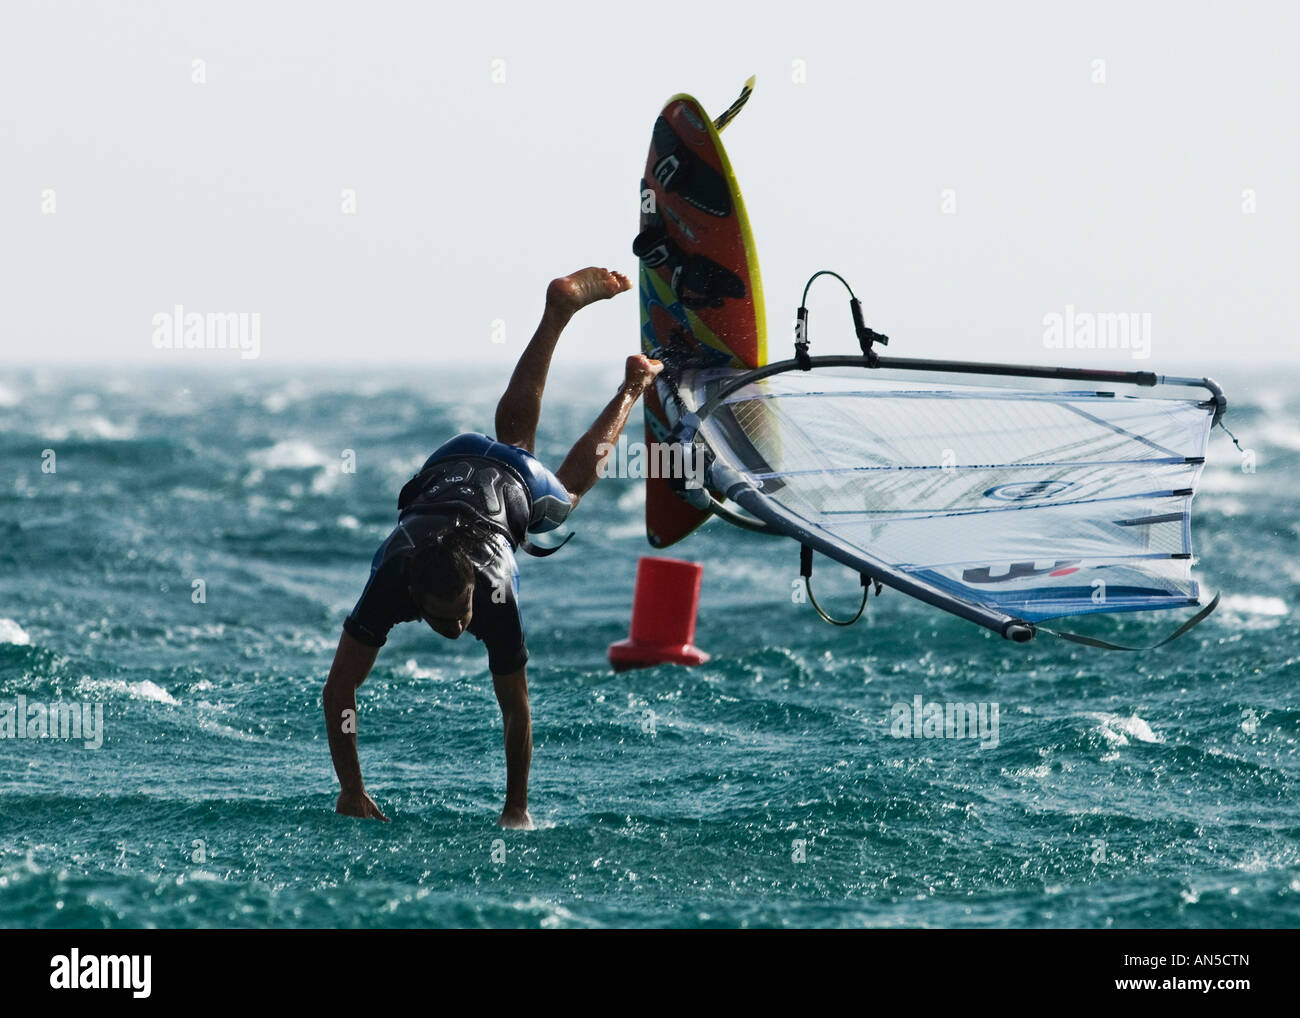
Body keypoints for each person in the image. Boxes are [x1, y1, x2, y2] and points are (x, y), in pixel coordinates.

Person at [323, 267, 661, 828]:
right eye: (447, 621)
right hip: (450, 456)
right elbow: (338, 689)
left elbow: (516, 712)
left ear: (472, 591)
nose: (460, 628)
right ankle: (558, 312)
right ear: (414, 594)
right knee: (514, 441)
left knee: (568, 492)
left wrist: (516, 808)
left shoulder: (495, 593)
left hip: (495, 482)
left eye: (462, 614)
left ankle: (634, 383)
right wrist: (351, 790)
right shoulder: (391, 579)